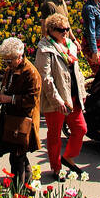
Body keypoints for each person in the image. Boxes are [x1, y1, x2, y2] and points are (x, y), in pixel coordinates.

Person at [35, 13, 88, 182]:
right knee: (54, 134)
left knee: (81, 129)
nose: (65, 32)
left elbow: (76, 72)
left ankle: (68, 157)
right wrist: (57, 100)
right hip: (57, 99)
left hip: (73, 95)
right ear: (50, 30)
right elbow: (45, 77)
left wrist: (82, 91)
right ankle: (56, 168)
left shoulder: (70, 45)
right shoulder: (44, 49)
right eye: (60, 30)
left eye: (67, 29)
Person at [0, 37, 41, 194]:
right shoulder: (11, 70)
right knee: (18, 157)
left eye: (10, 61)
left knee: (17, 157)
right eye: (5, 61)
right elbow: (7, 85)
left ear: (20, 56)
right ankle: (29, 188)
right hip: (11, 120)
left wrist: (9, 99)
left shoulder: (31, 73)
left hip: (23, 121)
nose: (7, 64)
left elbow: (31, 99)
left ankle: (18, 192)